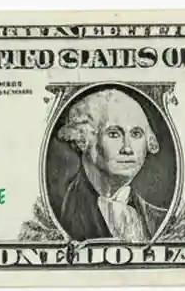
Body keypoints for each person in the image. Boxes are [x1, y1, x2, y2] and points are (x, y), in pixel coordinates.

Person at [54, 87, 168, 242]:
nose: (127, 148)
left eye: (136, 134)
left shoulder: (161, 219)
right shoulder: (58, 212)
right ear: (84, 140)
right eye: (114, 134)